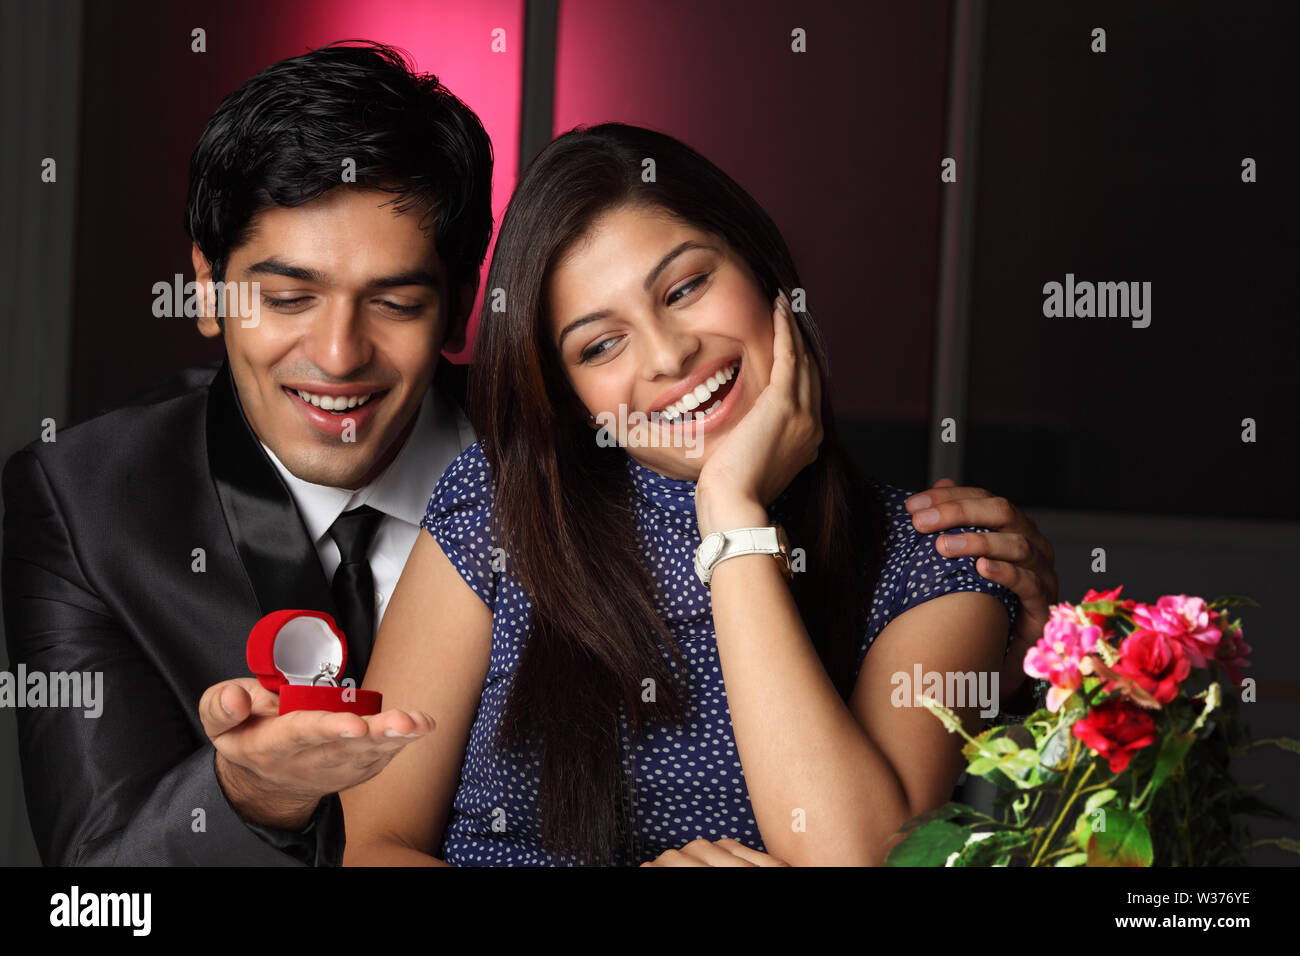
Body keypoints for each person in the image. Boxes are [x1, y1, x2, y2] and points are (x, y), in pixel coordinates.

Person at [341, 123, 1056, 867]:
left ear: (760, 264)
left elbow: (855, 860)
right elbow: (368, 847)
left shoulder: (935, 561)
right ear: (572, 396)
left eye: (685, 288)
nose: (668, 353)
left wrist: (734, 515)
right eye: (600, 345)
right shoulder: (498, 511)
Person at [0, 42, 489, 865]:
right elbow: (95, 900)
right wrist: (250, 797)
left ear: (460, 310)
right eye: (288, 297)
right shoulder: (84, 503)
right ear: (205, 291)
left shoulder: (568, 465)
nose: (338, 356)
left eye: (396, 303)